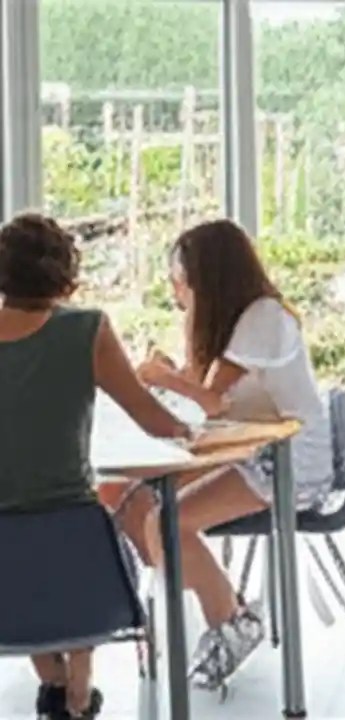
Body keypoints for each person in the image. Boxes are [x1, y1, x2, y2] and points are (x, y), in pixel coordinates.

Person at [99, 219, 334, 690]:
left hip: (286, 461)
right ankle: (213, 602)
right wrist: (175, 366)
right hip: (248, 450)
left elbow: (213, 402)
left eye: (182, 279)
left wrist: (161, 377)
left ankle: (229, 620)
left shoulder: (264, 316)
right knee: (123, 495)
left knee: (164, 522)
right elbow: (207, 397)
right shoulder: (240, 320)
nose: (178, 289)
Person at [0, 214, 191, 719]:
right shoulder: (87, 329)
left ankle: (59, 685)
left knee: (25, 569)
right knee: (84, 552)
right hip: (77, 540)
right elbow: (149, 416)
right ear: (66, 275)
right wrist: (193, 429)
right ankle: (78, 690)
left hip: (5, 552)